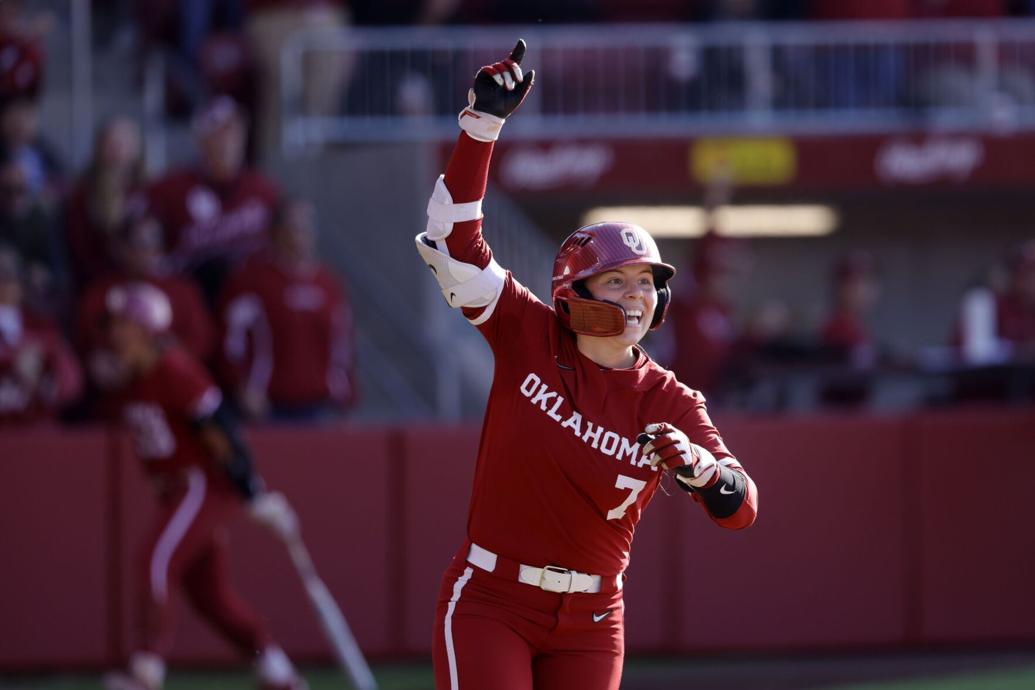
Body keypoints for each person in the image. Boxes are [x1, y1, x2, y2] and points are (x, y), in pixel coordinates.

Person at [416, 41, 757, 690]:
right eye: (617, 282)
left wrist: (702, 469)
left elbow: (740, 508)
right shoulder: (526, 331)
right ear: (573, 292)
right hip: (492, 600)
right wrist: (481, 127)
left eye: (645, 283)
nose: (636, 296)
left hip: (595, 616)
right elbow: (453, 248)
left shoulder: (669, 399)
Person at [99, 282, 307, 690]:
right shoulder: (132, 376)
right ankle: (279, 675)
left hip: (201, 486)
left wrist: (251, 490)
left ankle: (145, 671)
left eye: (122, 324)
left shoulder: (173, 369)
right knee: (214, 601)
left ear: (144, 329)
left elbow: (219, 431)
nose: (113, 333)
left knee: (154, 561)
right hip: (176, 491)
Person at [217, 197, 355, 422]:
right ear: (277, 232)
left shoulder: (329, 284)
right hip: (270, 409)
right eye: (293, 227)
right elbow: (229, 341)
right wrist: (240, 386)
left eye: (306, 227)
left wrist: (347, 396)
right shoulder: (253, 281)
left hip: (321, 407)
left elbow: (343, 343)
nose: (300, 235)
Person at [147, 97, 280, 304]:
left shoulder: (264, 189)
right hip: (195, 301)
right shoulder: (170, 189)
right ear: (200, 139)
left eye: (232, 132)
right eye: (217, 133)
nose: (226, 141)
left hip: (253, 300)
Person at [0, 244, 81, 424]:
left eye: (9, 277)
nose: (4, 285)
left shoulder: (43, 330)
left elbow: (71, 386)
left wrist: (40, 381)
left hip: (36, 433)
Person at [64, 116, 147, 290]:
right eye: (111, 143)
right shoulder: (83, 195)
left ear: (137, 147)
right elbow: (82, 251)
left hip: (146, 279)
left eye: (124, 142)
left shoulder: (151, 190)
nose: (118, 150)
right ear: (99, 148)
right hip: (101, 282)